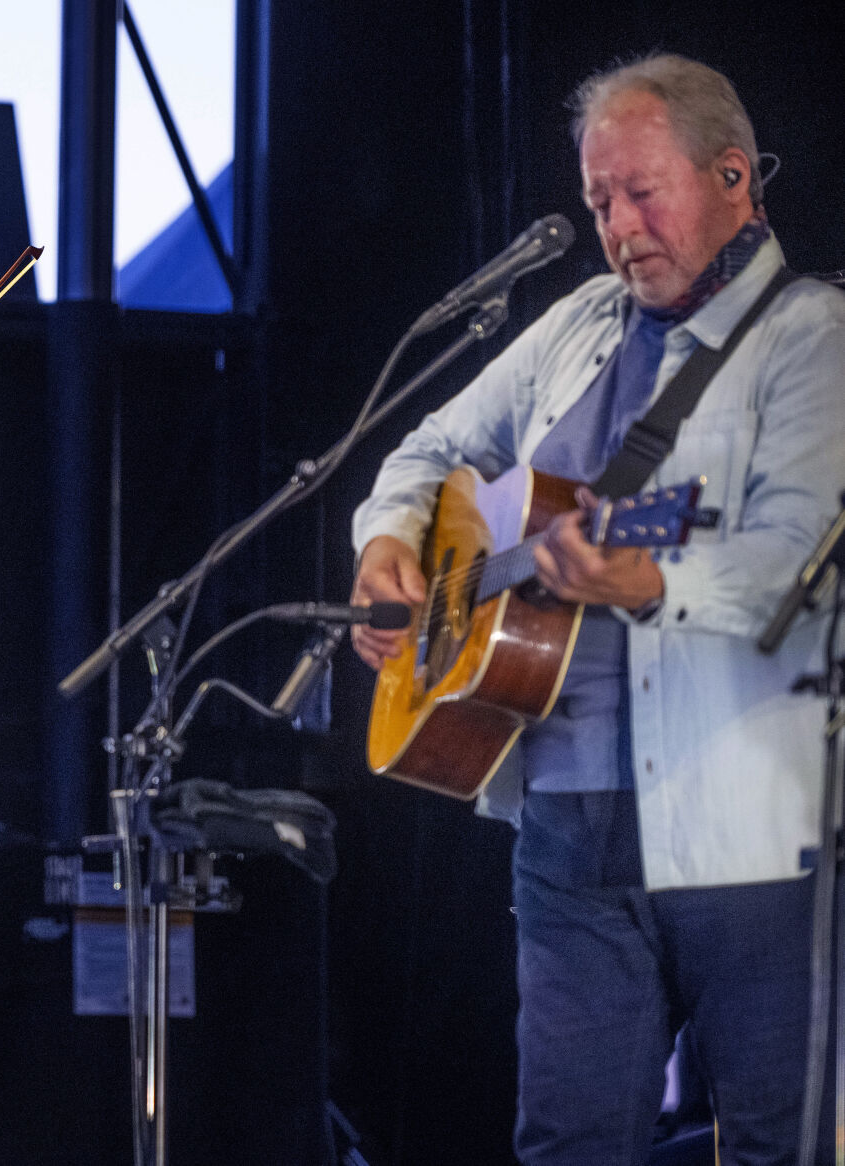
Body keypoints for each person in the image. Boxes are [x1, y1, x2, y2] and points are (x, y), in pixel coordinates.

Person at [349, 54, 845, 1164]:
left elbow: (795, 558)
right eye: (596, 202)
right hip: (565, 826)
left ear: (731, 176)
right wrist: (386, 540)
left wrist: (651, 579)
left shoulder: (809, 338)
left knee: (776, 1141)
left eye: (640, 192)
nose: (617, 225)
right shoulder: (577, 319)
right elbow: (429, 448)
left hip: (746, 827)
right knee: (567, 1144)